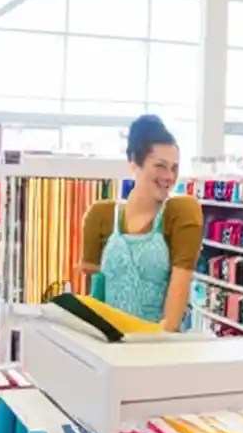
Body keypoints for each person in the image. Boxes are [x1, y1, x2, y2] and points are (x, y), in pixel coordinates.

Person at [77, 115, 202, 330]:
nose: (169, 176)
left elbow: (173, 314)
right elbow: (96, 298)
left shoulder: (180, 214)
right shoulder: (101, 216)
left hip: (155, 349)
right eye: (160, 166)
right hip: (109, 346)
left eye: (174, 168)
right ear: (134, 163)